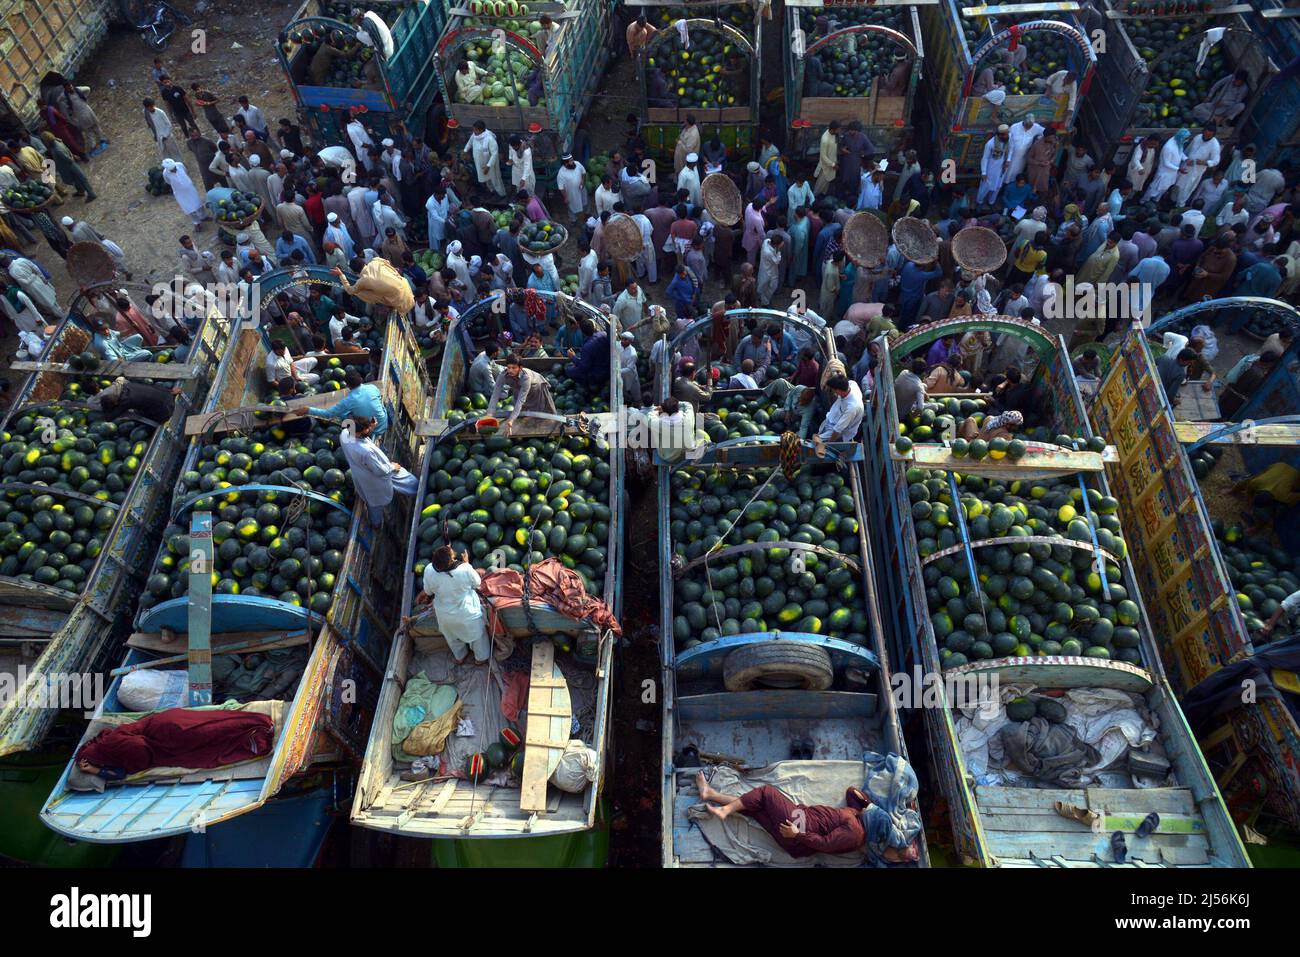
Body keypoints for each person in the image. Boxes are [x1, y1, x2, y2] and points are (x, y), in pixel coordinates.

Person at [695, 771, 868, 858]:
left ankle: (725, 810)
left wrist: (797, 834)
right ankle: (709, 795)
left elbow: (824, 844)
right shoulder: (858, 814)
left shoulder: (855, 833)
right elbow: (852, 792)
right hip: (797, 829)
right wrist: (867, 804)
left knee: (765, 793)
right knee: (755, 806)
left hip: (798, 827)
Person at [335, 415, 416, 529]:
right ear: (357, 433)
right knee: (409, 483)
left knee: (373, 503)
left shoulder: (345, 434)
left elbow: (362, 436)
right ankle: (420, 492)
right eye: (366, 429)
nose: (369, 430)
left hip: (362, 477)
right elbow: (380, 470)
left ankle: (376, 524)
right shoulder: (365, 452)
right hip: (378, 478)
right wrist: (392, 467)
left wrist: (370, 427)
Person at [419, 545, 490, 663]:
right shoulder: (465, 569)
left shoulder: (429, 570)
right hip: (467, 615)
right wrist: (467, 563)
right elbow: (477, 583)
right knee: (478, 637)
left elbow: (428, 591)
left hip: (444, 616)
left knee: (452, 639)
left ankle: (460, 658)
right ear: (451, 561)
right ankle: (480, 659)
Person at [486, 353, 557, 434]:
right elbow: (495, 395)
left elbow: (521, 401)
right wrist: (490, 414)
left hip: (536, 387)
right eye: (508, 367)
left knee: (540, 411)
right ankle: (525, 423)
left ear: (520, 368)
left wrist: (511, 420)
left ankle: (547, 430)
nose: (510, 370)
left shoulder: (526, 377)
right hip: (518, 387)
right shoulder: (503, 375)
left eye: (514, 368)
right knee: (522, 412)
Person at [308, 369, 387, 435]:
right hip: (383, 424)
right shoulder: (372, 387)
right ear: (361, 379)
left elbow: (328, 414)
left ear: (347, 385)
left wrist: (308, 410)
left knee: (342, 414)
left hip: (372, 432)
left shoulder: (348, 400)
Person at [85, 378, 177, 421]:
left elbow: (109, 417)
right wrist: (171, 391)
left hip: (166, 410)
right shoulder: (127, 385)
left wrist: (105, 411)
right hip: (168, 396)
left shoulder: (125, 402)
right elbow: (154, 387)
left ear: (116, 404)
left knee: (138, 415)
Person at [1175, 126, 1220, 206]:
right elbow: (1188, 150)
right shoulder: (1198, 137)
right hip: (1186, 165)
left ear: (1213, 135)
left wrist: (1204, 162)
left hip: (1195, 172)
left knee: (1186, 189)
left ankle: (1179, 205)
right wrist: (1186, 159)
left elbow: (1216, 161)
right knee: (1176, 185)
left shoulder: (1215, 145)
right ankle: (1171, 201)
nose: (1206, 137)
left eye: (1209, 136)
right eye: (1205, 134)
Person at [1144, 130, 1189, 203]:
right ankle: (1144, 201)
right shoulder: (1169, 147)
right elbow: (1166, 163)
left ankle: (1156, 201)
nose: (1186, 140)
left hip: (1172, 173)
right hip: (1164, 173)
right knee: (1154, 189)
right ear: (1181, 137)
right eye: (1185, 138)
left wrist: (1186, 159)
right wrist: (1178, 169)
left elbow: (1180, 152)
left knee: (1164, 189)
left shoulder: (1178, 143)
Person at [161, 158, 206, 228]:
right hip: (180, 193)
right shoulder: (165, 173)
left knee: (198, 203)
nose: (174, 170)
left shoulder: (180, 165)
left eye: (174, 168)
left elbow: (186, 171)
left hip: (190, 188)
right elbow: (168, 181)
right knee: (189, 209)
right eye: (172, 170)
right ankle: (197, 223)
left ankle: (203, 216)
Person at [464, 121, 505, 196]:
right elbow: (469, 143)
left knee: (495, 180)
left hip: (491, 165)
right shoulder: (474, 135)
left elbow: (494, 154)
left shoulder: (490, 138)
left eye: (475, 130)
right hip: (480, 163)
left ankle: (501, 194)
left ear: (481, 130)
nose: (473, 131)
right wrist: (465, 150)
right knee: (487, 180)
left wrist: (488, 166)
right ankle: (492, 192)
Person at [978, 125, 1011, 206]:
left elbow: (1011, 149)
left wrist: (1008, 160)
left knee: (998, 187)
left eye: (1007, 134)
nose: (1008, 135)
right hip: (991, 170)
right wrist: (984, 172)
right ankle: (979, 201)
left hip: (1002, 169)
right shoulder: (990, 144)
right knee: (985, 187)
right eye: (1005, 134)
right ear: (1000, 135)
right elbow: (985, 158)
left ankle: (991, 202)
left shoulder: (1008, 139)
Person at [143, 97, 183, 162]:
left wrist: (165, 135)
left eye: (151, 106)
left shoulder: (160, 112)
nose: (151, 108)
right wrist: (154, 136)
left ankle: (180, 166)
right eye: (148, 107)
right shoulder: (146, 113)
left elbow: (169, 125)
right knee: (165, 154)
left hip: (167, 136)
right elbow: (149, 126)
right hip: (159, 138)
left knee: (175, 153)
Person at [555, 153, 587, 224]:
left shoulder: (577, 164)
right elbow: (561, 188)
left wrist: (582, 181)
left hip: (582, 189)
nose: (573, 162)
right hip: (572, 194)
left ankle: (585, 215)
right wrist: (566, 197)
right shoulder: (561, 174)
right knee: (571, 207)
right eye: (571, 161)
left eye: (572, 159)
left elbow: (583, 173)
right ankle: (573, 220)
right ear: (566, 163)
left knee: (584, 202)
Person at [814, 121, 839, 195]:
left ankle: (821, 201)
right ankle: (813, 202)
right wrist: (833, 164)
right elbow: (823, 156)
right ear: (833, 129)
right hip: (825, 167)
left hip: (831, 165)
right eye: (838, 129)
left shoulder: (834, 134)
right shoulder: (825, 139)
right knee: (819, 187)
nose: (839, 131)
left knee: (825, 188)